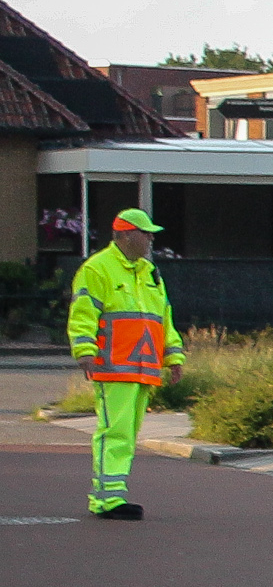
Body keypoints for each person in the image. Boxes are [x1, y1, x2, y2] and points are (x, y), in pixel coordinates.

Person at [66, 209, 183, 520]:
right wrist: (85, 351)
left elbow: (163, 318)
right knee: (114, 431)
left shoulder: (149, 272)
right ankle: (106, 500)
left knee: (127, 433)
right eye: (146, 233)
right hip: (113, 365)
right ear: (126, 234)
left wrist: (174, 356)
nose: (151, 239)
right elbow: (83, 313)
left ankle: (112, 494)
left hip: (142, 367)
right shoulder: (98, 269)